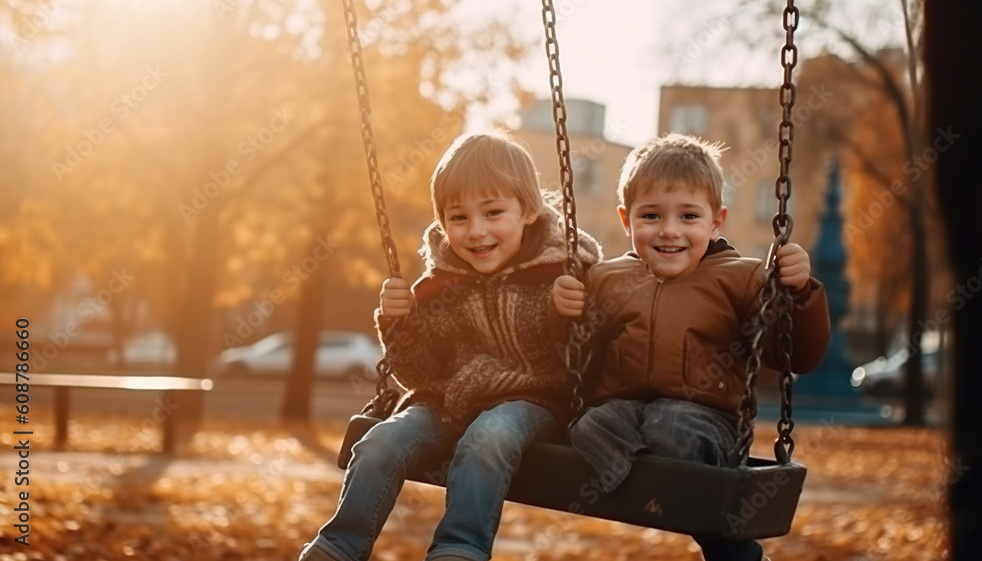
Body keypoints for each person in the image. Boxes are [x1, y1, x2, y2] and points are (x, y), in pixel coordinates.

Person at [299, 130, 601, 561]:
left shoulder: (561, 271)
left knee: (487, 439)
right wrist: (399, 324)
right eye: (458, 218)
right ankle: (338, 547)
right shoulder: (440, 285)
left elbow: (588, 365)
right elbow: (420, 374)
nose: (476, 232)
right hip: (447, 400)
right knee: (380, 442)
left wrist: (566, 315)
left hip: (532, 400)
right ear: (442, 222)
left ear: (528, 210)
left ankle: (459, 549)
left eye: (493, 212)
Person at [552, 133, 830, 561]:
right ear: (626, 221)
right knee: (588, 426)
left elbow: (795, 355)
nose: (669, 230)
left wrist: (799, 294)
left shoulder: (741, 278)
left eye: (688, 216)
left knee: (670, 425)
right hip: (626, 418)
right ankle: (653, 492)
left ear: (716, 222)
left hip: (707, 422)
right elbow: (576, 356)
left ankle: (666, 501)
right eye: (651, 215)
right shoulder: (607, 279)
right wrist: (565, 313)